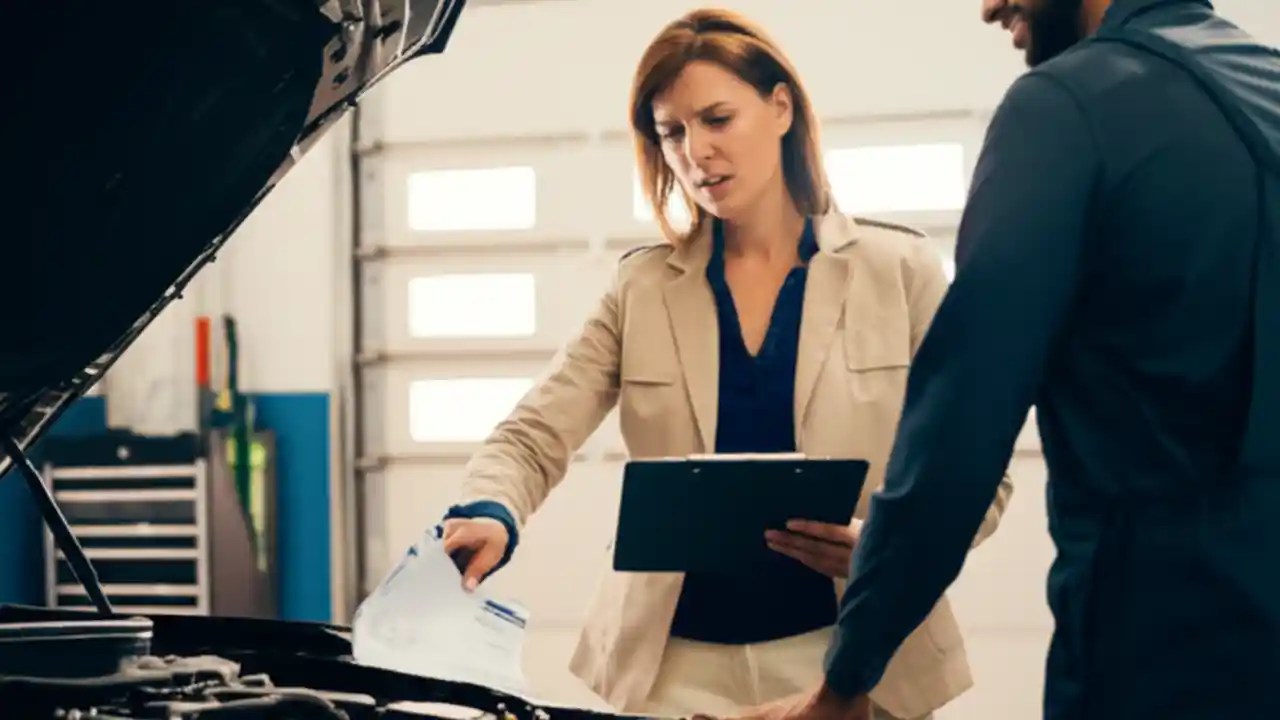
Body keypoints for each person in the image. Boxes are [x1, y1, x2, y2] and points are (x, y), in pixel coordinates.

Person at [432, 8, 1014, 720]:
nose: (694, 152)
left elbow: (977, 468)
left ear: (780, 107)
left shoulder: (900, 271)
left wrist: (887, 546)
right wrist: (491, 510)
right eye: (671, 131)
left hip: (853, 657)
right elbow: (533, 433)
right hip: (673, 671)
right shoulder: (640, 288)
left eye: (716, 118)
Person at [724, 1, 1280, 719]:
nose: (990, 6)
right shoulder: (1266, 87)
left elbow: (960, 429)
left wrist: (848, 677)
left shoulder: (1066, 108)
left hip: (1160, 664)